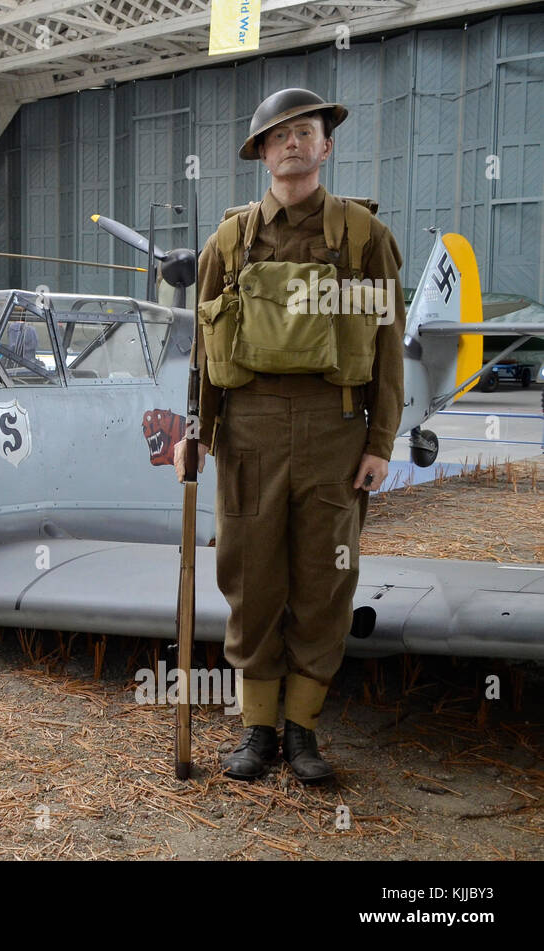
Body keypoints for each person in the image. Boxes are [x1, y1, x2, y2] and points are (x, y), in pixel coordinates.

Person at [173, 88, 405, 785]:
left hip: (335, 430)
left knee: (325, 579)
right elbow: (202, 349)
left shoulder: (364, 239)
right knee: (250, 577)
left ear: (325, 146)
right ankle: (258, 729)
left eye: (304, 133)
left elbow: (387, 347)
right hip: (248, 431)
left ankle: (303, 730)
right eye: (278, 137)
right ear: (262, 153)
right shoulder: (230, 240)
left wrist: (381, 441)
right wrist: (196, 432)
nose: (292, 145)